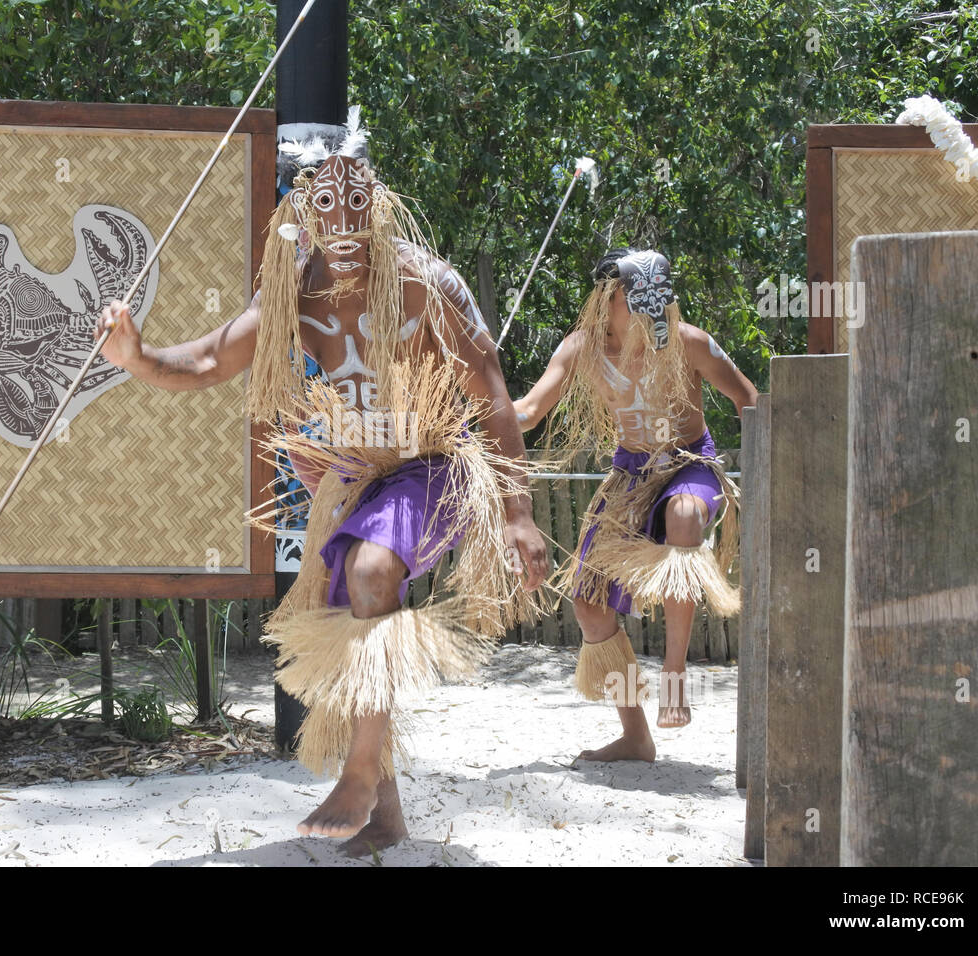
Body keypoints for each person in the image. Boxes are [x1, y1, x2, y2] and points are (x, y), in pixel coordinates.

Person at [96, 108, 547, 854]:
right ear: (299, 210)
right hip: (356, 480)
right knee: (356, 627)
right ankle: (389, 817)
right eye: (324, 202)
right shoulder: (289, 293)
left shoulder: (425, 284)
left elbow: (491, 393)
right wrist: (138, 357)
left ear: (378, 198)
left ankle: (362, 774)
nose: (342, 217)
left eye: (356, 199)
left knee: (373, 573)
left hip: (435, 466)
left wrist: (518, 511)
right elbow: (208, 361)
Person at [514, 248, 757, 762]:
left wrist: (770, 470)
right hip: (630, 474)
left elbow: (750, 400)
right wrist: (476, 407)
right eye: (639, 297)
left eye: (660, 295)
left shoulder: (689, 343)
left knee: (684, 517)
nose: (655, 306)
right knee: (588, 603)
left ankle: (674, 674)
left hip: (690, 464)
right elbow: (530, 412)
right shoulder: (581, 348)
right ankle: (636, 736)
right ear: (610, 298)